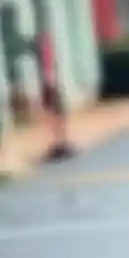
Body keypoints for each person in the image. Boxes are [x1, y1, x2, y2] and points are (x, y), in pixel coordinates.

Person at [36, 31, 74, 161]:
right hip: (52, 84)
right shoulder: (48, 53)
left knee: (54, 115)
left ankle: (59, 143)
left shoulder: (45, 53)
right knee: (56, 115)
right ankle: (60, 142)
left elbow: (48, 71)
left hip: (50, 84)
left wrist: (50, 83)